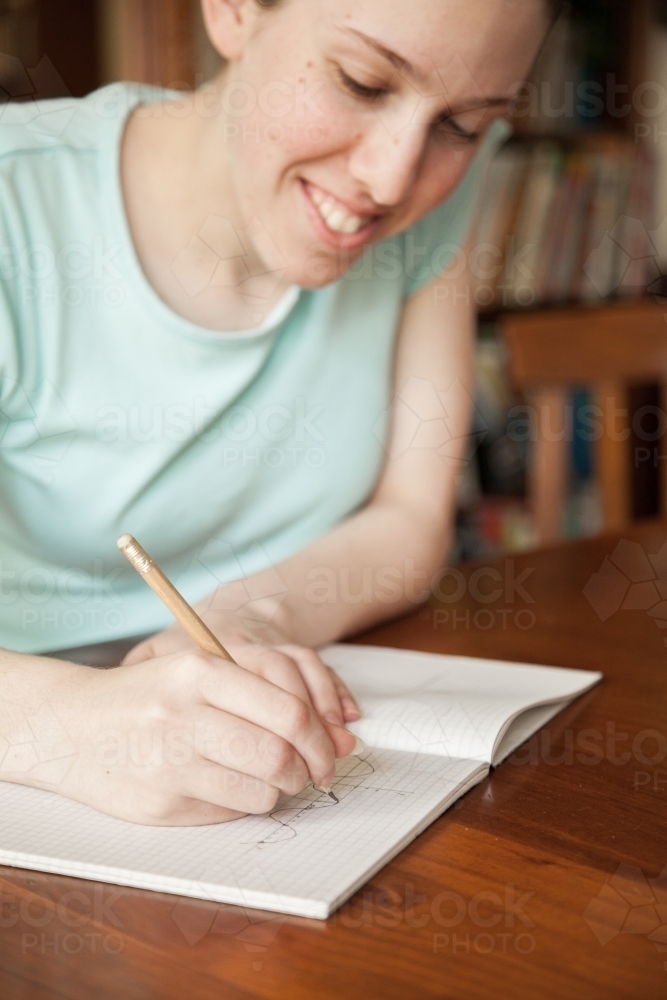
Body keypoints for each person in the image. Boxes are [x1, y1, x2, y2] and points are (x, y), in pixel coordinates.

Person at [0, 0, 564, 824]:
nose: (391, 178)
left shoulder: (436, 194)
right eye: (362, 81)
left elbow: (411, 517)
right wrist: (69, 727)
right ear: (232, 10)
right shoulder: (19, 203)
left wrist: (254, 612)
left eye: (462, 124)